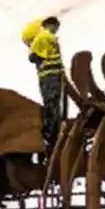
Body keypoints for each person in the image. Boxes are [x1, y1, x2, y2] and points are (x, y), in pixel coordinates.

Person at [28, 15, 66, 146]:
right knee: (52, 103)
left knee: (53, 103)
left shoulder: (47, 37)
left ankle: (54, 130)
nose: (57, 30)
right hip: (50, 75)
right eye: (56, 27)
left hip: (51, 75)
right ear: (51, 25)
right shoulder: (44, 37)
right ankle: (51, 132)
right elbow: (34, 56)